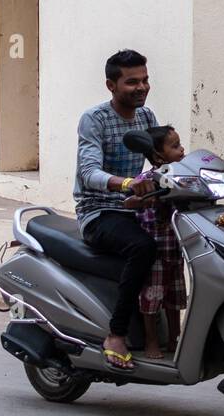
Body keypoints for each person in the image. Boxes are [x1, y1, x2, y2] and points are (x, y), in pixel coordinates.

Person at [73, 49, 158, 371]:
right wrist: (125, 184)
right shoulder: (94, 119)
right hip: (99, 211)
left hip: (137, 207)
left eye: (145, 80)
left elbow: (162, 158)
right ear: (111, 85)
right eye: (132, 82)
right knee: (143, 247)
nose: (141, 87)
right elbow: (89, 173)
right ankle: (116, 334)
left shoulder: (146, 118)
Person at [125, 125, 188, 359]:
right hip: (156, 252)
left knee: (175, 298)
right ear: (158, 156)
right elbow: (129, 201)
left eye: (180, 144)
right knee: (152, 298)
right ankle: (152, 339)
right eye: (175, 146)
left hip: (177, 249)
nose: (182, 150)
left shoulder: (183, 177)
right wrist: (139, 200)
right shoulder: (147, 180)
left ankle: (175, 338)